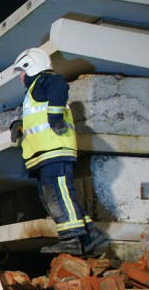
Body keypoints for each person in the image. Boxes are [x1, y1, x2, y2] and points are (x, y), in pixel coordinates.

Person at [12, 47, 108, 256]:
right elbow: (38, 115)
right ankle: (91, 238)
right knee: (52, 195)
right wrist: (19, 124)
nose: (20, 76)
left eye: (21, 71)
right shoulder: (34, 90)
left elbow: (59, 87)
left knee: (58, 193)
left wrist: (55, 118)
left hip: (54, 150)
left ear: (31, 66)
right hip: (44, 154)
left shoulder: (47, 80)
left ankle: (71, 240)